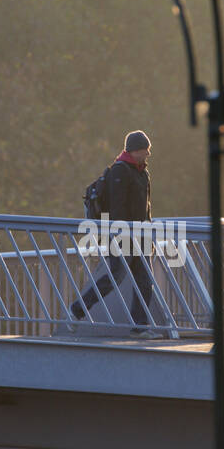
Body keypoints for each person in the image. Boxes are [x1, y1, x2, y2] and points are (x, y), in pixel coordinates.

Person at [70, 130, 159, 338]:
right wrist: (122, 235)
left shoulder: (143, 173)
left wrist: (147, 233)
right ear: (134, 150)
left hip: (141, 236)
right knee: (114, 278)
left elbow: (146, 208)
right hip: (122, 236)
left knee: (145, 281)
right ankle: (77, 311)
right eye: (145, 150)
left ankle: (140, 327)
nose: (148, 154)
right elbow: (117, 208)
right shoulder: (120, 171)